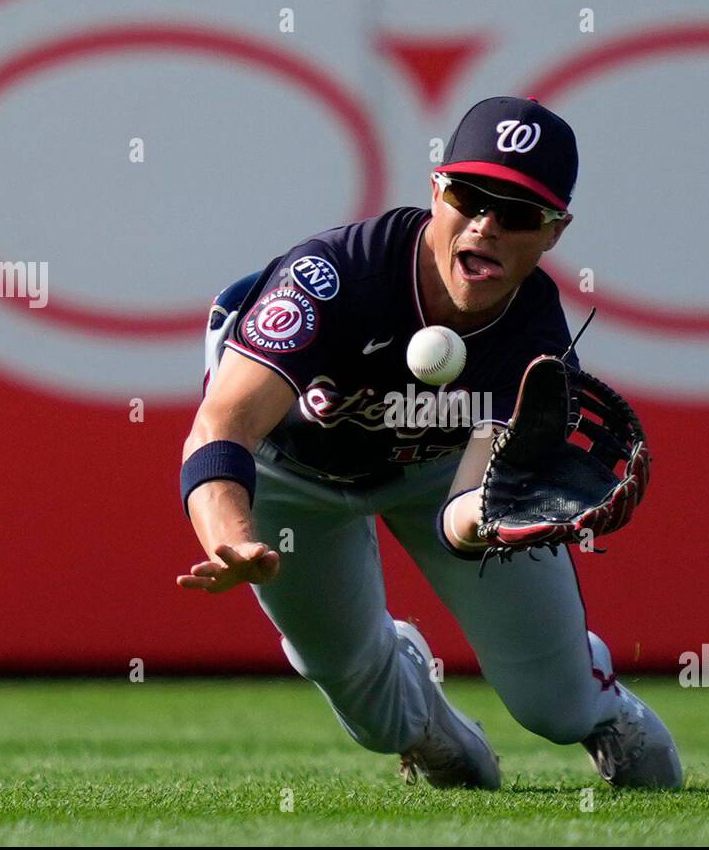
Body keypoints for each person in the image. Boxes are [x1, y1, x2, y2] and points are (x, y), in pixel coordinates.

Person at [177, 96, 682, 790]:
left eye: (519, 213)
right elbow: (221, 423)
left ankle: (605, 715)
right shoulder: (333, 277)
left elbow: (460, 513)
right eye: (470, 196)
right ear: (435, 190)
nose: (486, 225)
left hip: (434, 468)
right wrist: (230, 534)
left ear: (555, 232)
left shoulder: (532, 334)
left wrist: (492, 514)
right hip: (295, 471)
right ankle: (425, 721)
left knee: (554, 702)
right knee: (368, 707)